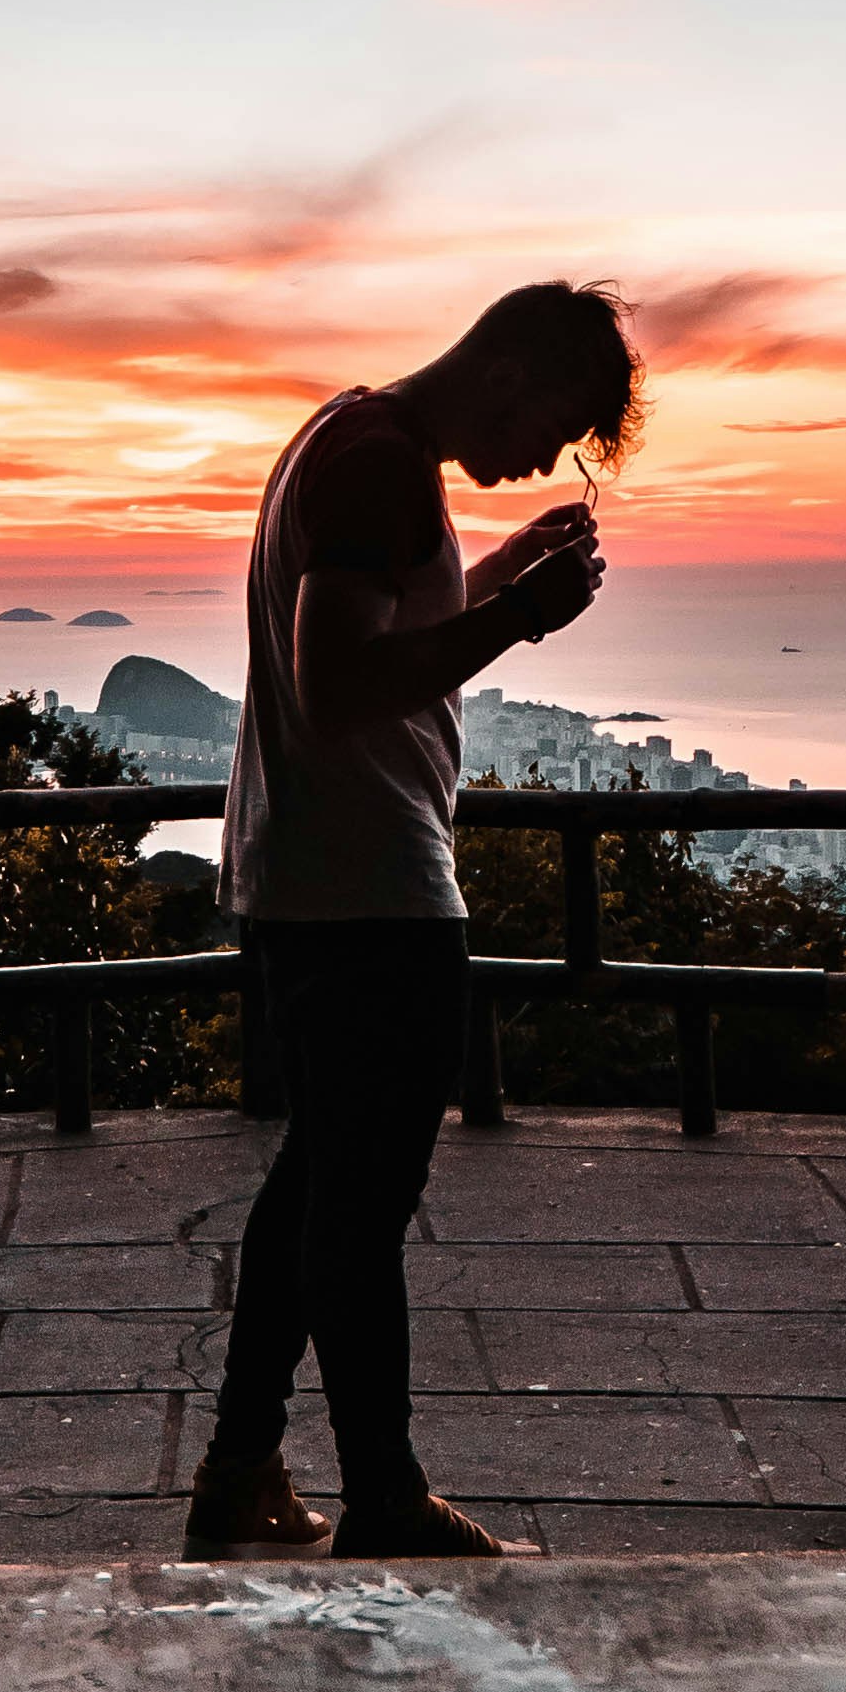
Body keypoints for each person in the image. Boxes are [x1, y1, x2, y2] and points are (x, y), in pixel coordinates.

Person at [185, 279, 643, 1560]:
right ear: (508, 370)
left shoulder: (350, 437)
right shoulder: (382, 463)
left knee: (315, 1189)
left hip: (311, 883)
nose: (543, 458)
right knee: (360, 1210)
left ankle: (238, 1468)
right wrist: (517, 619)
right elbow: (339, 681)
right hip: (369, 892)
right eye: (553, 424)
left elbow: (381, 623)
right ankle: (383, 1498)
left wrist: (497, 575)